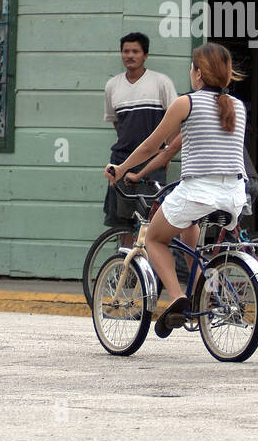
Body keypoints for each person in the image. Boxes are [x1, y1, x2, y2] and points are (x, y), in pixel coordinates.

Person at [105, 42, 247, 337]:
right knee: (188, 231)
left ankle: (177, 297)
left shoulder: (187, 102)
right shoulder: (238, 107)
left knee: (155, 240)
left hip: (198, 192)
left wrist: (121, 169)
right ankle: (197, 291)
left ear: (197, 73)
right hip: (233, 195)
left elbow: (151, 145)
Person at [102, 32, 177, 230]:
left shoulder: (161, 83)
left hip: (152, 162)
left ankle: (149, 260)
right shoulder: (112, 86)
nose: (130, 55)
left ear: (145, 55)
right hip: (121, 161)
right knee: (122, 222)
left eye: (135, 51)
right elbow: (117, 123)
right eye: (126, 51)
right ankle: (125, 259)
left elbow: (174, 121)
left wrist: (167, 152)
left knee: (151, 221)